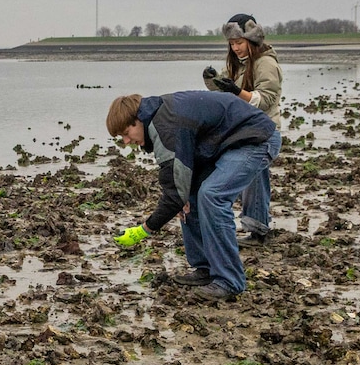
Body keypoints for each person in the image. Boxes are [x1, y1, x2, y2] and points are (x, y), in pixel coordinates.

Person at [106, 91, 280, 302]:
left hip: (255, 140)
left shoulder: (165, 126)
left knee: (212, 196)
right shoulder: (161, 118)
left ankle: (229, 281)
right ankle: (205, 268)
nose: (126, 141)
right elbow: (180, 182)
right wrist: (183, 195)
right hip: (226, 144)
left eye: (126, 132)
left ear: (138, 120)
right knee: (190, 197)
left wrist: (144, 230)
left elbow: (172, 195)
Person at [201, 14, 282, 245]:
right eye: (231, 44)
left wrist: (236, 92)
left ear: (251, 40)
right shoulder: (240, 64)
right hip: (247, 133)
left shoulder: (266, 63)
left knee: (227, 184)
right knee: (256, 177)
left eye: (239, 42)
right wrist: (211, 80)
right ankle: (258, 230)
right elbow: (222, 91)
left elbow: (265, 99)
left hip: (265, 134)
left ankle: (244, 231)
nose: (235, 48)